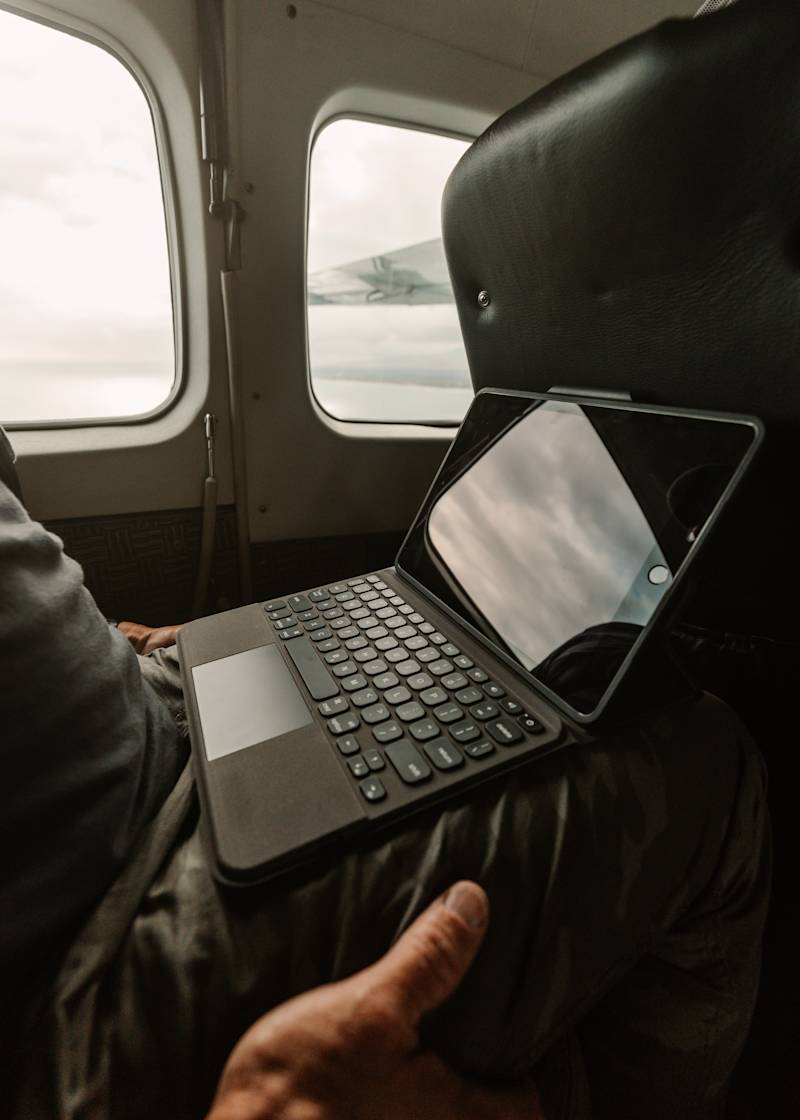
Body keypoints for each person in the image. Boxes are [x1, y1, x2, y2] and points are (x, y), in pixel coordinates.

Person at [0, 459, 770, 1120]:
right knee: (704, 750)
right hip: (86, 948)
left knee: (351, 657)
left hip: (124, 717)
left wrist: (110, 652)